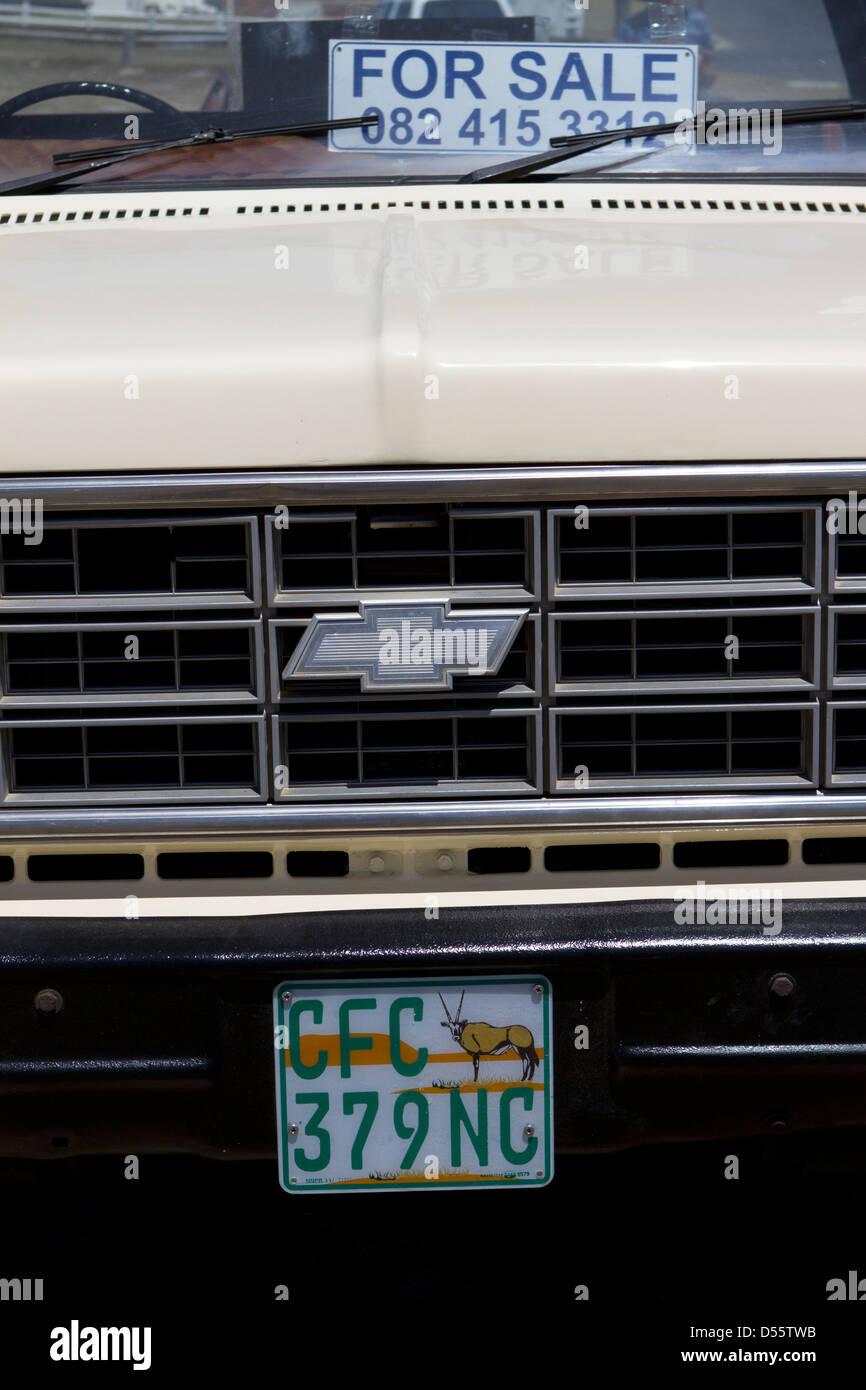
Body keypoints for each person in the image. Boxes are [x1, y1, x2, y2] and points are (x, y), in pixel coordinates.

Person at [617, 1, 715, 85]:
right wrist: (653, 53)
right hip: (645, 92)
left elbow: (710, 74)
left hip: (693, 90)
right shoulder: (631, 26)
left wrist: (695, 60)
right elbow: (619, 71)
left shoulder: (698, 19)